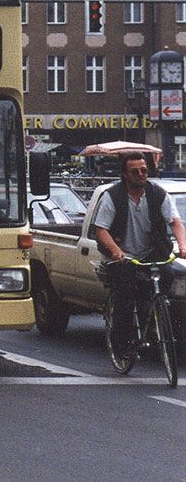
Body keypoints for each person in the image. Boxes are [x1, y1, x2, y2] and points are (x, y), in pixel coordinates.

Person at [93, 153, 186, 359]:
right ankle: (123, 345)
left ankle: (155, 323)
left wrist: (182, 245)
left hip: (151, 253)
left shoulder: (157, 194)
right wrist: (116, 250)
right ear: (125, 174)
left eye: (144, 171)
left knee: (167, 276)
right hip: (122, 256)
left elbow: (175, 223)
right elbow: (101, 229)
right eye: (134, 172)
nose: (141, 175)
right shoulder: (113, 196)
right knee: (126, 294)